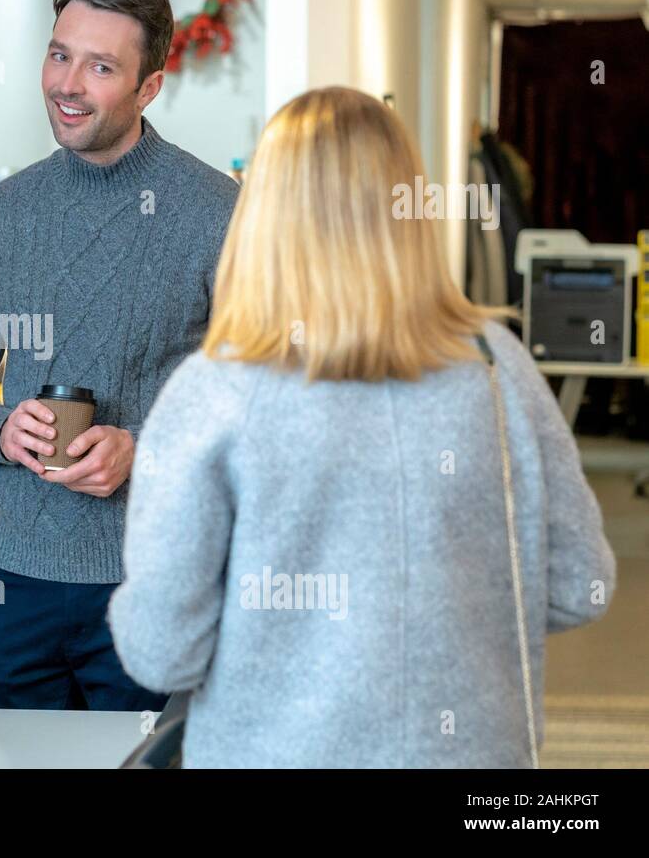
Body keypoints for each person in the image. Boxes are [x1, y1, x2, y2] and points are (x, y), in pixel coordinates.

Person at [109, 86, 617, 767]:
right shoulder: (498, 366)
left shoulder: (215, 391)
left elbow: (162, 651)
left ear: (264, 213)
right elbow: (579, 583)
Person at [0, 0, 239, 711]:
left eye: (100, 67)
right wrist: (4, 430)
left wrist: (144, 449)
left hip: (158, 583)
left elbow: (260, 407)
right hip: (16, 586)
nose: (68, 84)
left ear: (150, 85)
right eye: (59, 55)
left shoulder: (220, 214)